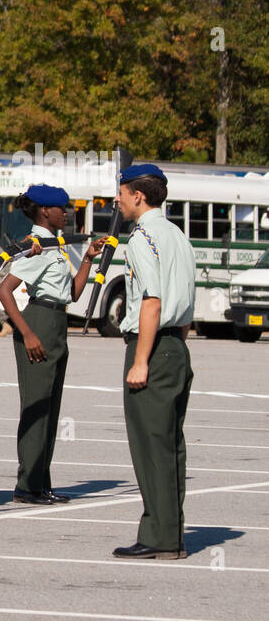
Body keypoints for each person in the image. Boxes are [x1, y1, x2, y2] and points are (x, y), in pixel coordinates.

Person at [0, 185, 106, 505]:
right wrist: (28, 334)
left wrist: (87, 259)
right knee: (36, 407)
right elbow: (5, 291)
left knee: (51, 408)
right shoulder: (37, 245)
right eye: (62, 208)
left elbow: (71, 293)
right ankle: (27, 485)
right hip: (39, 322)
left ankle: (40, 481)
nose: (67, 213)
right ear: (45, 212)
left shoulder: (53, 246)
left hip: (57, 322)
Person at [111, 164, 196, 560]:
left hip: (153, 347)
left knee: (150, 446)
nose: (118, 199)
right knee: (171, 445)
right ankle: (171, 535)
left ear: (138, 196)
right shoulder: (177, 235)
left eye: (121, 193)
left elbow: (151, 301)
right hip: (176, 347)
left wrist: (140, 360)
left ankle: (159, 537)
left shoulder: (143, 237)